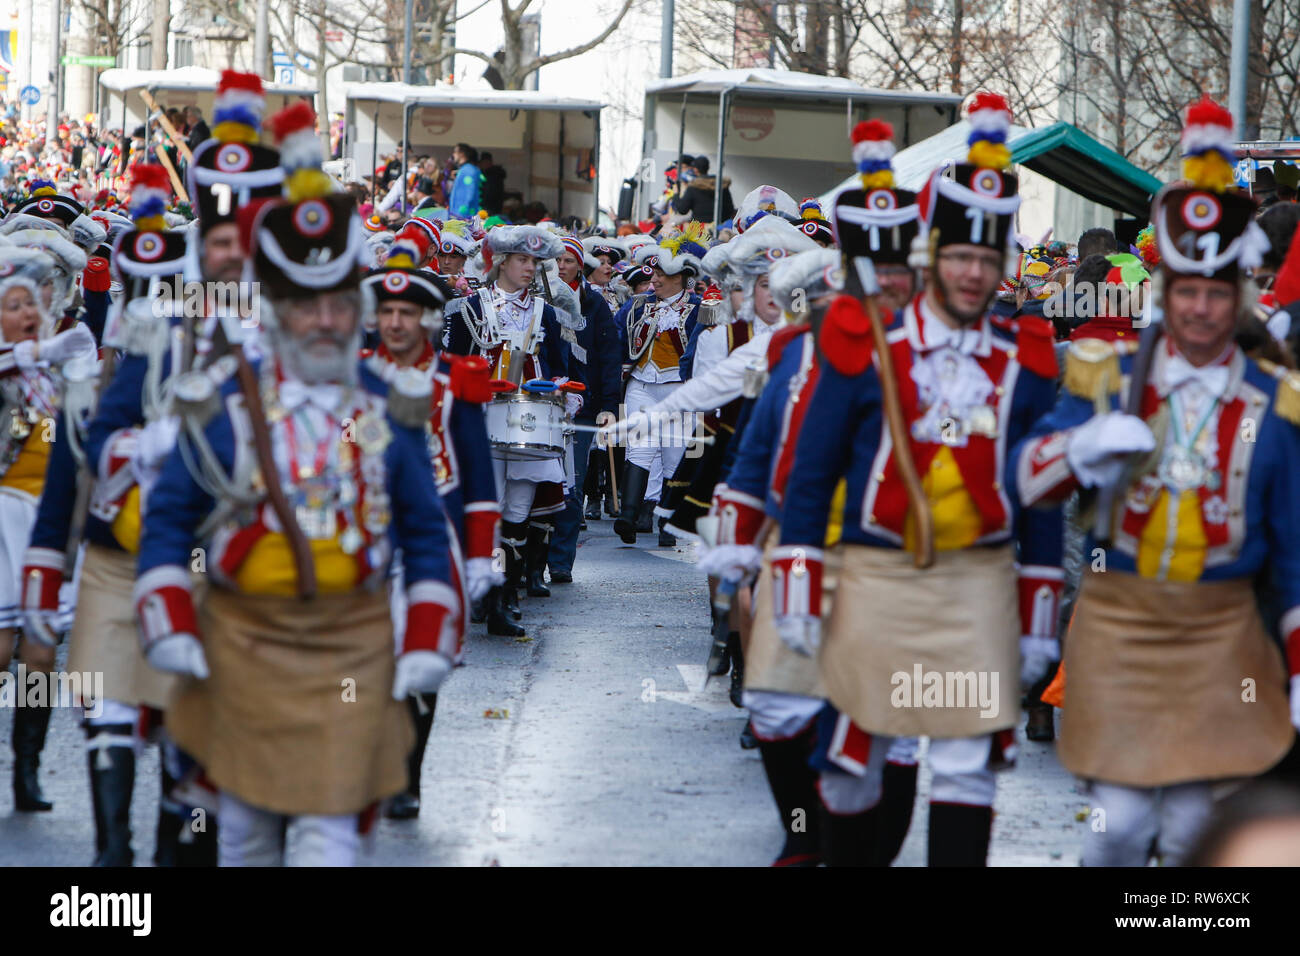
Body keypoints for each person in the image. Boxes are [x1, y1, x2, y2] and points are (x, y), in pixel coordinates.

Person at [135, 104, 461, 867]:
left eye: (340, 305)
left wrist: (426, 633)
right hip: (243, 642)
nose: (325, 321)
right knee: (243, 836)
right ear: (276, 310)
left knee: (330, 837)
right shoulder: (222, 399)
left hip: (352, 648)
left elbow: (420, 525)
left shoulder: (380, 407)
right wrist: (173, 619)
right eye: (307, 305)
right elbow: (171, 520)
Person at [772, 93, 1065, 866]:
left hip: (978, 583)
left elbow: (1038, 499)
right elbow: (814, 471)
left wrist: (1039, 612)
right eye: (962, 257)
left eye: (989, 260)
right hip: (875, 573)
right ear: (933, 256)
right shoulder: (863, 343)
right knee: (858, 763)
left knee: (969, 767)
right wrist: (799, 575)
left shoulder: (1024, 359)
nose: (974, 274)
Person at [1010, 96, 1299, 867]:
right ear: (1162, 292)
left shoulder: (1277, 402)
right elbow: (1026, 476)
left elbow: (1292, 547)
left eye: (1215, 294)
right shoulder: (1107, 377)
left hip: (1225, 628)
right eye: (1185, 292)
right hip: (1125, 619)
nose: (1200, 310)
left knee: (1193, 832)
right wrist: (1080, 449)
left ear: (1235, 295)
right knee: (1121, 827)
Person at [362, 240, 501, 819]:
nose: (396, 323)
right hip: (360, 536)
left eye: (408, 313)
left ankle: (407, 776)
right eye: (387, 313)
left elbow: (477, 474)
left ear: (428, 319)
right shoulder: (350, 378)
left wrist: (479, 557)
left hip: (433, 536)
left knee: (422, 659)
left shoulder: (455, 381)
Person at [442, 225, 583, 633]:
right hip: (480, 418)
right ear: (501, 261)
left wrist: (564, 393)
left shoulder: (548, 313)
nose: (529, 268)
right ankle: (483, 589)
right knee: (486, 508)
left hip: (530, 421)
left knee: (518, 512)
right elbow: (450, 363)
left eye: (535, 262)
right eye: (522, 259)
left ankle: (504, 595)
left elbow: (561, 369)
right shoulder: (466, 307)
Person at [611, 223, 709, 543]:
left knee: (673, 453)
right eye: (653, 275)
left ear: (680, 277)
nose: (654, 280)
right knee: (639, 447)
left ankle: (666, 524)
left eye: (661, 276)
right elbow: (615, 336)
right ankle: (628, 516)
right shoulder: (638, 304)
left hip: (678, 388)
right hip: (641, 382)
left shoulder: (699, 308)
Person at [548, 236, 622, 582]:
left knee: (571, 483)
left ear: (581, 265)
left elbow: (609, 359)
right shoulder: (540, 299)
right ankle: (531, 562)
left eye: (568, 261)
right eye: (556, 261)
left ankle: (561, 561)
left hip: (583, 406)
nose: (561, 267)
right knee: (534, 483)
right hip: (542, 401)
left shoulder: (594, 305)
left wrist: (609, 405)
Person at [670, 155, 735, 226]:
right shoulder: (721, 185)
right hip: (719, 227)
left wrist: (676, 194)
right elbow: (730, 209)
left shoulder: (694, 186)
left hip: (699, 229)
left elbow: (682, 210)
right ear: (708, 167)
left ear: (695, 170)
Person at [448, 143, 483, 219]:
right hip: (460, 215)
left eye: (455, 152)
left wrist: (461, 217)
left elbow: (468, 195)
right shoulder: (466, 169)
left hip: (462, 216)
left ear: (461, 154)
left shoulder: (468, 170)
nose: (453, 154)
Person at [480, 151, 506, 216]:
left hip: (490, 208)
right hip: (495, 207)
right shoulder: (496, 174)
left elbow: (489, 193)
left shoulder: (491, 175)